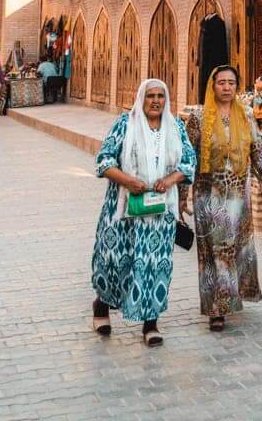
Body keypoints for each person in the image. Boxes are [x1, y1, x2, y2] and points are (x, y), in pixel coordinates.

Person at [92, 78, 196, 347]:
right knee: (116, 262)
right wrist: (128, 181)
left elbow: (189, 162)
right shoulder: (125, 124)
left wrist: (170, 180)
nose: (156, 101)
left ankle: (151, 323)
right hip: (124, 211)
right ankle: (102, 306)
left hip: (159, 216)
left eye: (161, 96)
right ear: (141, 98)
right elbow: (103, 161)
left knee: (154, 268)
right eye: (150, 96)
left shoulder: (175, 127)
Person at [183, 65, 262, 331]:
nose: (226, 87)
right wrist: (181, 195)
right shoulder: (199, 117)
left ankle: (233, 295)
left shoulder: (245, 114)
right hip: (209, 195)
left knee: (237, 247)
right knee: (216, 251)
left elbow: (257, 148)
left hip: (238, 195)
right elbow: (187, 159)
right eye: (221, 82)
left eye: (231, 82)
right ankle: (216, 308)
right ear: (212, 85)